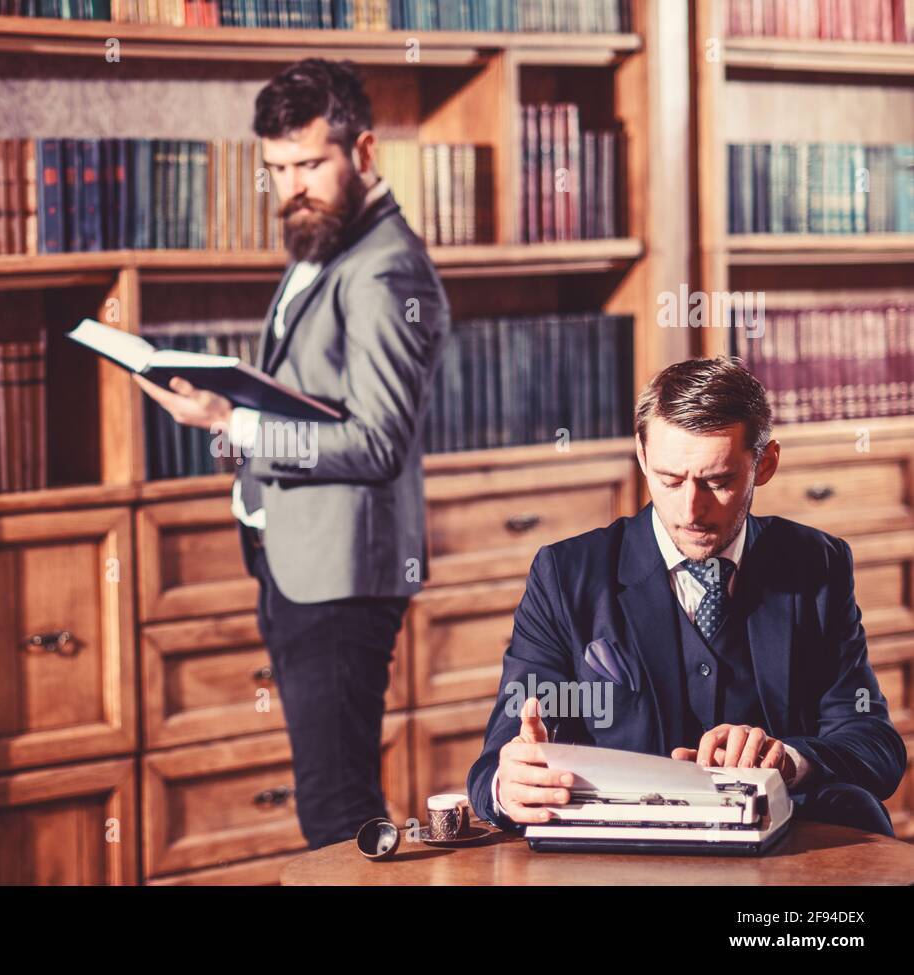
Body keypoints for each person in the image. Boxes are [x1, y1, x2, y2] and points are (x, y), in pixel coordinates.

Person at [137, 58, 450, 849]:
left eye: (311, 163)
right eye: (277, 168)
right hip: (291, 556)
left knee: (337, 808)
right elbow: (310, 394)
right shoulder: (325, 241)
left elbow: (378, 441)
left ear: (365, 152)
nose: (293, 186)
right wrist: (230, 412)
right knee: (335, 794)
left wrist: (237, 427)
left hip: (342, 576)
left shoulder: (385, 268)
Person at [467, 356, 906, 837]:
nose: (691, 510)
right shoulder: (565, 575)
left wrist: (788, 759)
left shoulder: (816, 564)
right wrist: (508, 787)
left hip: (778, 852)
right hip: (621, 855)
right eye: (670, 480)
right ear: (641, 455)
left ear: (766, 463)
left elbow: (874, 745)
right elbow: (496, 765)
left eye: (718, 482)